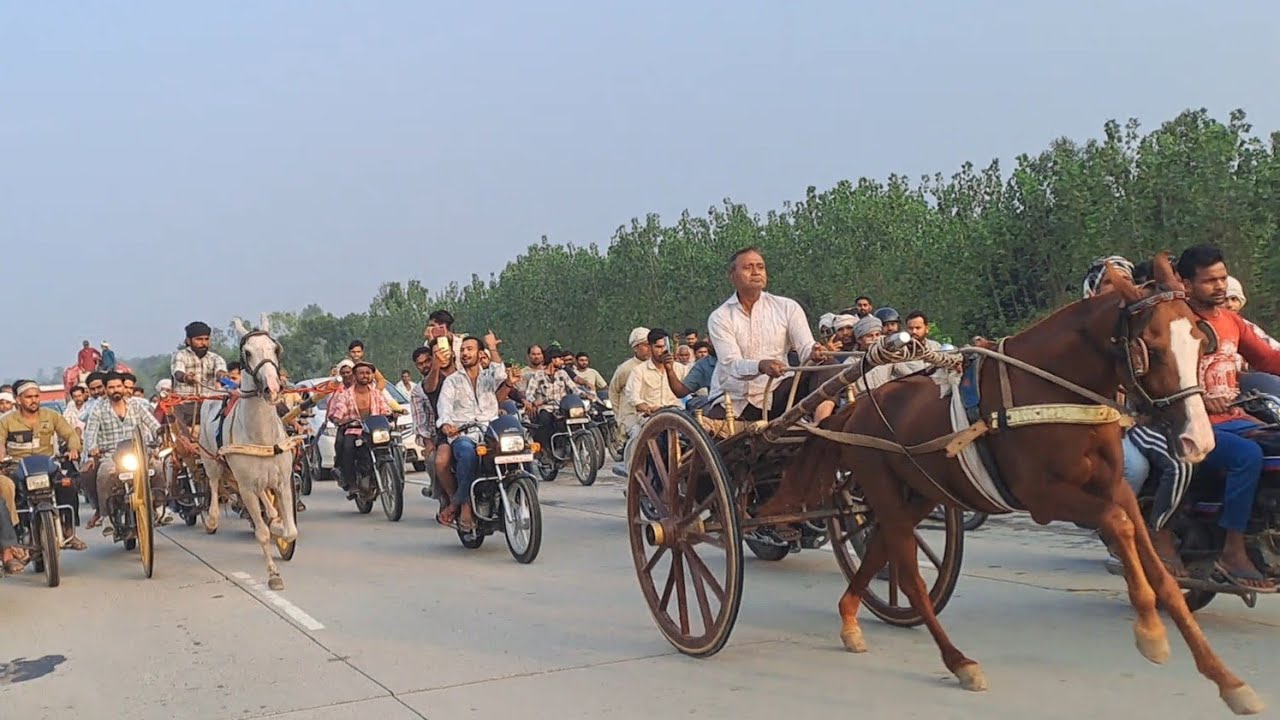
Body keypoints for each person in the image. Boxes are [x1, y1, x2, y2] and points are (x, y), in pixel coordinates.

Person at [1082, 255, 1194, 575]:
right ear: (1091, 290)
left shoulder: (1138, 327)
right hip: (1093, 424)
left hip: (1137, 420)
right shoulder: (1079, 331)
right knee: (1132, 466)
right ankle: (1117, 530)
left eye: (1125, 283)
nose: (1119, 290)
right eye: (1108, 283)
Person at [1178, 243, 1280, 591]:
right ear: (1187, 284)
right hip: (1190, 425)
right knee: (1247, 457)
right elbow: (1160, 380)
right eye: (1209, 281)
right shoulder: (1176, 323)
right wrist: (1200, 400)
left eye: (1222, 278)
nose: (1220, 287)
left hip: (1236, 419)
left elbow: (1267, 359)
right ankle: (1232, 550)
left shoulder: (1231, 321)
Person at [706, 247, 826, 423]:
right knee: (717, 441)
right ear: (732, 276)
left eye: (760, 267)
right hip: (734, 400)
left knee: (827, 364)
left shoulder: (787, 307)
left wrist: (814, 352)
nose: (756, 272)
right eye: (748, 267)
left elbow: (806, 347)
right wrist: (761, 365)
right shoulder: (720, 317)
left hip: (778, 393)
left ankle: (822, 424)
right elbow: (731, 364)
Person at [0, 380, 85, 550]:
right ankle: (14, 538)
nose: (34, 400)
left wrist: (73, 448)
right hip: (17, 467)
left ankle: (69, 530)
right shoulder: (6, 421)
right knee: (10, 493)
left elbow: (70, 434)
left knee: (67, 486)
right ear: (18, 400)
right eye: (28, 397)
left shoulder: (51, 415)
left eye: (36, 396)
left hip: (47, 465)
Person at [436, 333, 505, 530]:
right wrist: (446, 424)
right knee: (467, 454)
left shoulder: (488, 376)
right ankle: (462, 504)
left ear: (480, 353)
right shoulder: (452, 381)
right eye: (462, 350)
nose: (465, 353)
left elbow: (501, 375)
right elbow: (444, 406)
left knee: (519, 450)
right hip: (463, 433)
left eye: (470, 349)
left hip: (490, 430)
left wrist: (492, 348)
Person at [84, 372, 163, 531]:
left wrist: (160, 434)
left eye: (118, 386)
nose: (116, 390)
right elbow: (90, 434)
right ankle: (106, 517)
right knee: (104, 475)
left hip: (139, 451)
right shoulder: (98, 409)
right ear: (106, 390)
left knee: (157, 467)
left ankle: (160, 507)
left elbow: (152, 423)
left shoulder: (135, 404)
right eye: (111, 387)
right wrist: (92, 448)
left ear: (124, 387)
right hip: (111, 455)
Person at [326, 361, 392, 498]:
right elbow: (339, 410)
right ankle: (352, 483)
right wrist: (338, 419)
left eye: (368, 373)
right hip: (354, 430)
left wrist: (390, 414)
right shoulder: (346, 395)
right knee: (348, 447)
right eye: (361, 373)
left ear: (372, 376)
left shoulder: (376, 393)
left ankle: (384, 473)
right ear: (355, 376)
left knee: (391, 444)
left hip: (373, 431)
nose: (365, 376)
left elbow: (385, 408)